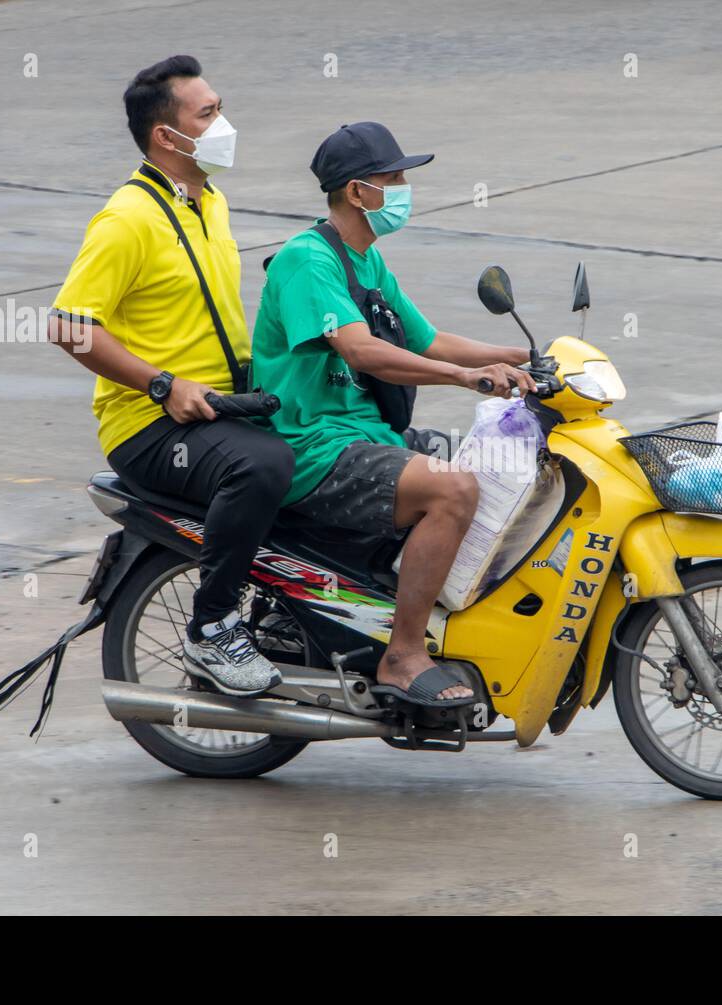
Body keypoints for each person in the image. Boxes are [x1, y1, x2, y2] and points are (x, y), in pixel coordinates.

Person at [252, 121, 538, 707]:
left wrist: (525, 356)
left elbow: (427, 340)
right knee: (453, 490)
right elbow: (363, 351)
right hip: (313, 444)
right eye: (395, 178)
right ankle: (404, 656)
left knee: (494, 466)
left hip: (362, 432)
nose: (405, 187)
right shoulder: (308, 261)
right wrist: (467, 378)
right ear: (357, 192)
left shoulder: (366, 261)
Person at [47, 55, 294, 698]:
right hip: (151, 423)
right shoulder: (127, 218)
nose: (224, 123)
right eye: (208, 114)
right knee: (260, 467)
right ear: (167, 136)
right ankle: (212, 629)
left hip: (221, 406)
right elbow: (70, 325)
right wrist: (163, 384)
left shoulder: (208, 200)